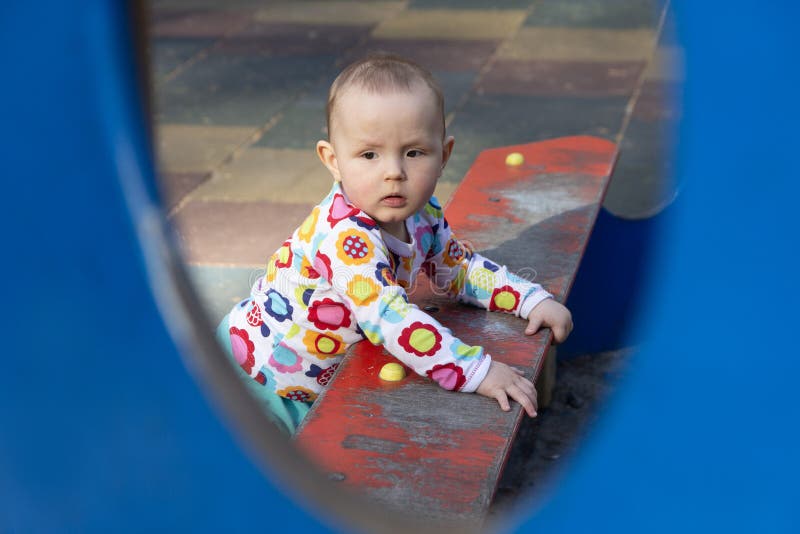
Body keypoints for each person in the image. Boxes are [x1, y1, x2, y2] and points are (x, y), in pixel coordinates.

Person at [216, 54, 573, 435]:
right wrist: (474, 370)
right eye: (369, 155)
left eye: (414, 152)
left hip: (306, 377)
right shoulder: (344, 239)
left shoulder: (424, 215)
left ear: (444, 156)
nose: (394, 173)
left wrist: (528, 298)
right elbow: (390, 318)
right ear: (333, 161)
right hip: (260, 382)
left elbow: (459, 270)